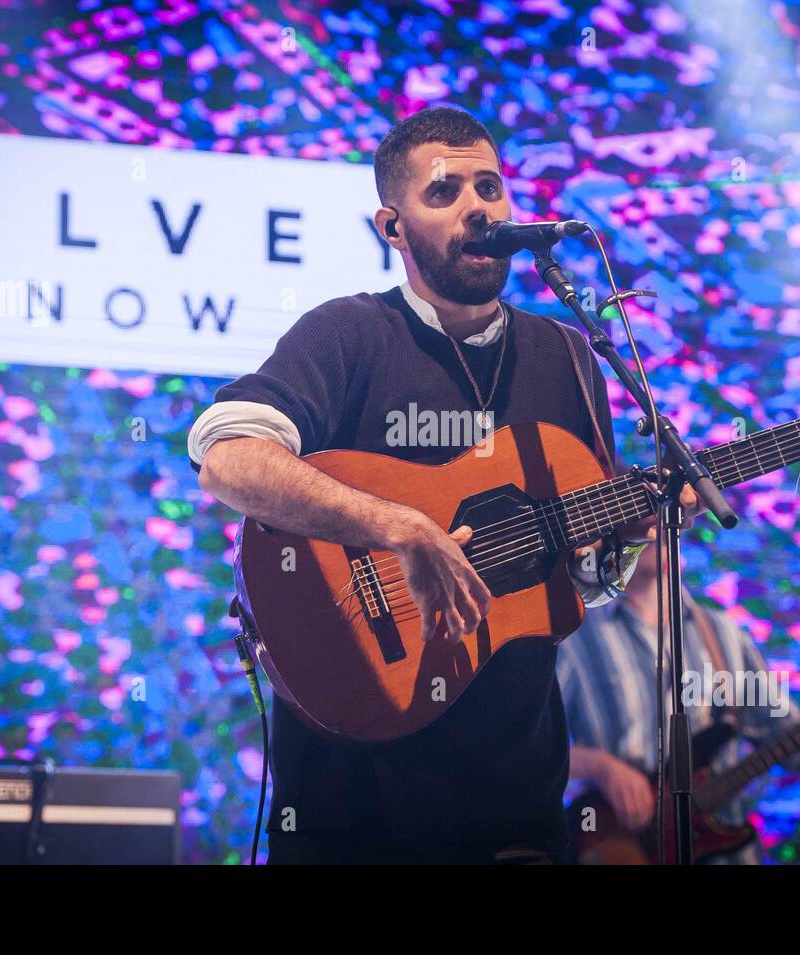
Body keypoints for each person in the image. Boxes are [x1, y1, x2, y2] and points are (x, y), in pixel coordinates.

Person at [189, 106, 693, 863]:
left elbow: (581, 585)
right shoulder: (349, 333)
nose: (478, 207)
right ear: (392, 228)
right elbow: (227, 457)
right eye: (444, 192)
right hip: (350, 815)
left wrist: (629, 531)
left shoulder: (567, 356)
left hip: (517, 812)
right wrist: (400, 527)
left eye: (489, 187)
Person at [559, 535, 800, 863]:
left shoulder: (722, 632)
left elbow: (791, 741)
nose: (655, 530)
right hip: (620, 844)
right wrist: (600, 767)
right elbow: (534, 752)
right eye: (639, 517)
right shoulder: (573, 637)